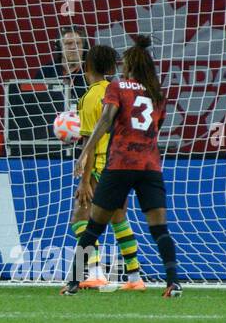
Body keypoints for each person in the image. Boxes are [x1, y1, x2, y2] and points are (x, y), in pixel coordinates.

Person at [67, 36, 181, 297]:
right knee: (159, 227)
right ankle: (172, 281)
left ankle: (74, 281)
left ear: (128, 66)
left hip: (118, 164)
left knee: (93, 224)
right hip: (149, 165)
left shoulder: (117, 87)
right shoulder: (156, 93)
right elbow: (155, 129)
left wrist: (85, 150)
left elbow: (106, 120)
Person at [70, 44, 144, 290]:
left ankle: (95, 272)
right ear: (112, 68)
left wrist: (84, 180)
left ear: (87, 67)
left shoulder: (90, 97)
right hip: (126, 164)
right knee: (119, 217)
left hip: (102, 164)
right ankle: (135, 278)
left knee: (81, 217)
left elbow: (89, 143)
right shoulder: (120, 92)